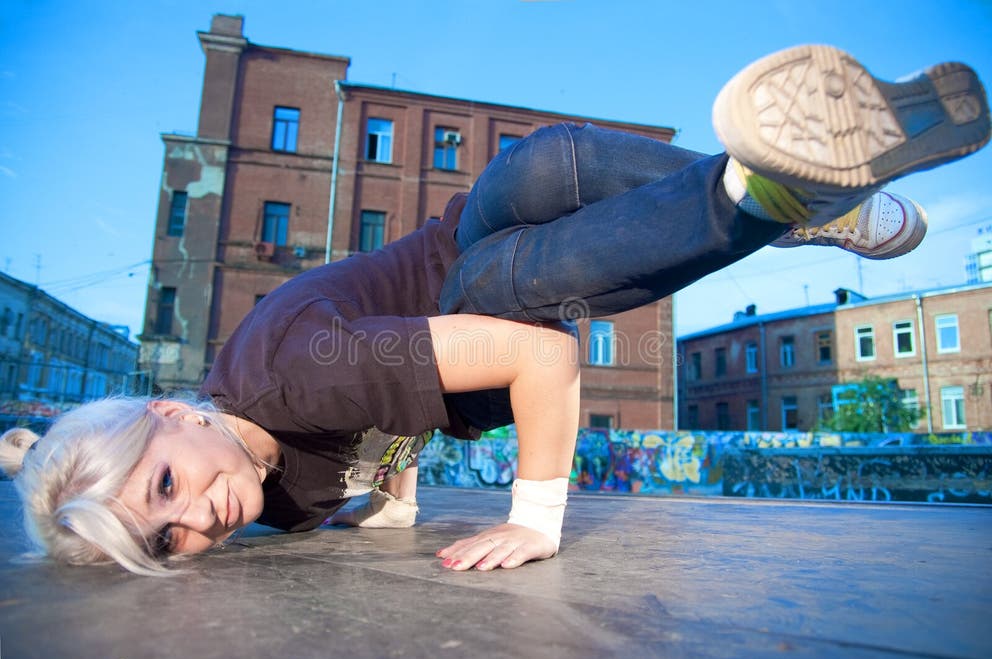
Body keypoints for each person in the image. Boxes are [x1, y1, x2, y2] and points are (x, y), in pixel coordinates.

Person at [1, 45, 988, 576]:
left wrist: (535, 520)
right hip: (466, 250)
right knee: (535, 188)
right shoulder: (267, 484)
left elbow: (544, 365)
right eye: (164, 538)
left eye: (167, 484)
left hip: (473, 286)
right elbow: (359, 454)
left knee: (545, 172)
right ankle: (790, 203)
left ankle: (781, 200)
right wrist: (31, 454)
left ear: (174, 410)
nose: (196, 520)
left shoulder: (295, 377)